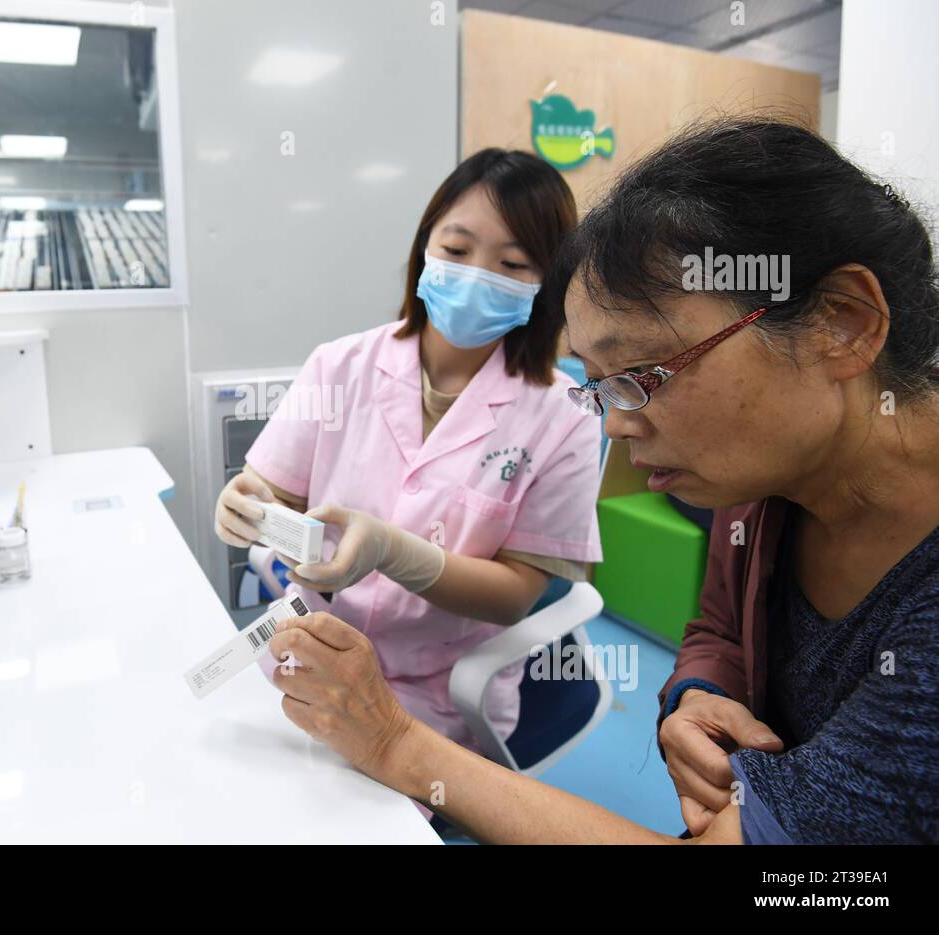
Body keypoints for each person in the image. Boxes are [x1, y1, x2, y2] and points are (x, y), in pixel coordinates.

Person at [263, 118, 939, 843]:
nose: (614, 426)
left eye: (645, 374)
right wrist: (699, 693)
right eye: (602, 385)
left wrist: (395, 739)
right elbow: (719, 626)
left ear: (840, 324)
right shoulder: (759, 483)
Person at [213, 149, 603, 757]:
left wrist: (397, 553)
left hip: (434, 691)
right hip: (306, 642)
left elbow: (515, 594)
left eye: (513, 263)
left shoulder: (566, 415)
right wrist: (246, 505)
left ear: (546, 284)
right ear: (425, 248)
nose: (477, 274)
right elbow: (272, 493)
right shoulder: (338, 365)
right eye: (456, 250)